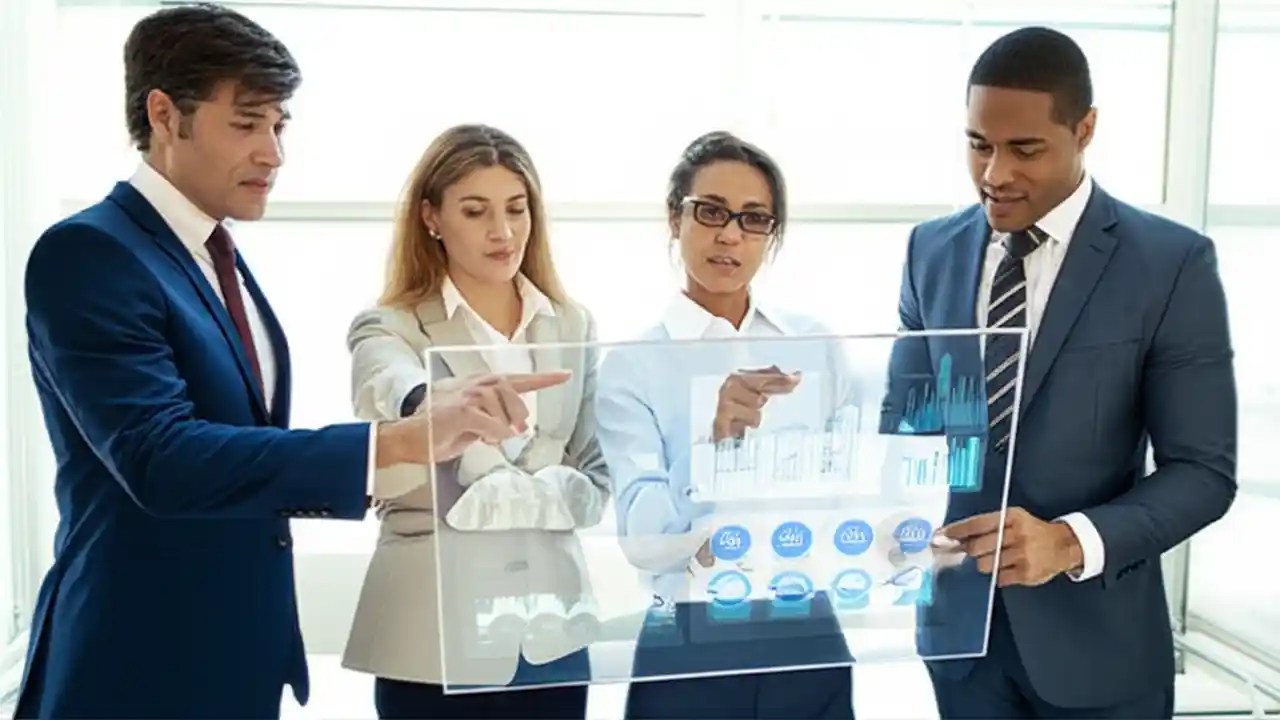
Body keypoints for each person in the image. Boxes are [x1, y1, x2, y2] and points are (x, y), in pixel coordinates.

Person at [14, 6, 567, 718]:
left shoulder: (217, 257)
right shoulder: (92, 254)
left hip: (232, 660)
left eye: (280, 125)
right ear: (163, 114)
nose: (273, 152)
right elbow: (160, 457)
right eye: (246, 124)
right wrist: (398, 440)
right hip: (137, 662)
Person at [885, 26, 1236, 719]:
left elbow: (1203, 472)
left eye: (1025, 149)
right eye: (978, 144)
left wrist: (1069, 540)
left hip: (1099, 653)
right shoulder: (931, 251)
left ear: (1086, 130)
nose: (994, 174)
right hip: (961, 646)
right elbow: (907, 428)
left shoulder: (1171, 266)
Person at [340, 124, 610, 720]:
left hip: (551, 635)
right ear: (432, 218)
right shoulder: (392, 323)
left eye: (517, 209)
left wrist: (561, 489)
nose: (503, 231)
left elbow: (593, 465)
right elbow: (382, 382)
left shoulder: (571, 323)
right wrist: (432, 405)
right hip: (433, 641)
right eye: (476, 211)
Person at [595, 131, 856, 720]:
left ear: (772, 235)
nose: (730, 234)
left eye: (754, 219)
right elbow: (642, 539)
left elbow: (850, 491)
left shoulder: (814, 345)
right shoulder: (631, 365)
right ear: (674, 218)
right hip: (688, 638)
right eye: (710, 212)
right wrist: (717, 447)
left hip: (807, 626)